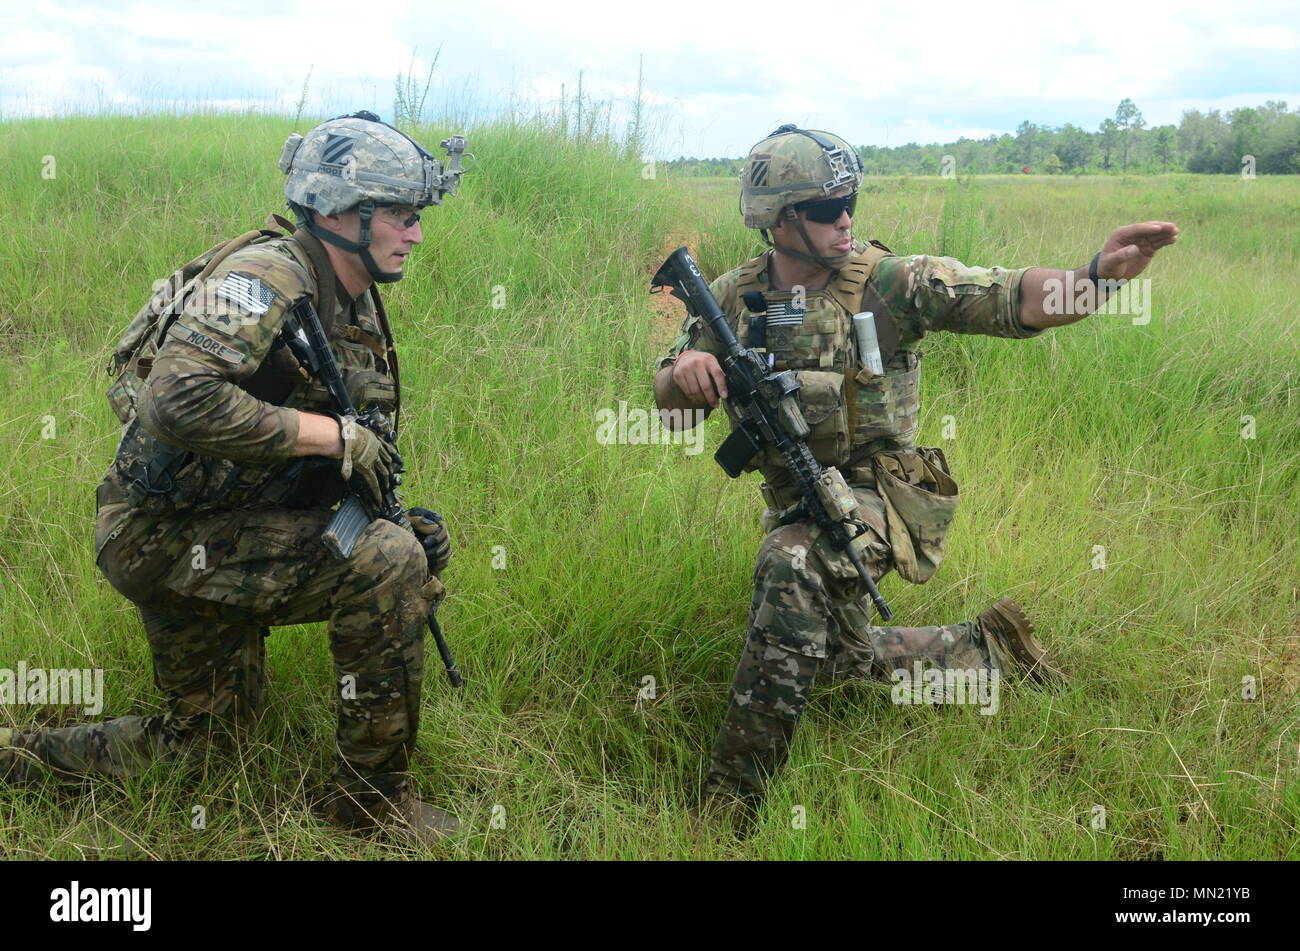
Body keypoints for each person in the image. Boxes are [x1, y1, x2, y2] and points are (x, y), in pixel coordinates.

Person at [653, 124, 1179, 815]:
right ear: (778, 220)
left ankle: (727, 804)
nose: (845, 217)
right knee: (830, 655)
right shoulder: (729, 295)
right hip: (799, 499)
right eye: (824, 207)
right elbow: (670, 409)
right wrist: (683, 372)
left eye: (851, 200)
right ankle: (987, 651)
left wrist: (1093, 280)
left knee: (790, 567)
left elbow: (1007, 297)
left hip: (885, 496)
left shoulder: (890, 282)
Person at [0, 111, 466, 846]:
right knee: (386, 562)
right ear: (342, 212)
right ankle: (372, 804)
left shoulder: (351, 295)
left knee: (206, 751)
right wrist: (336, 438)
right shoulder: (268, 274)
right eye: (403, 216)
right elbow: (177, 396)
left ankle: (15, 759)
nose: (415, 233)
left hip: (223, 519)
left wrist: (384, 501)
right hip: (158, 535)